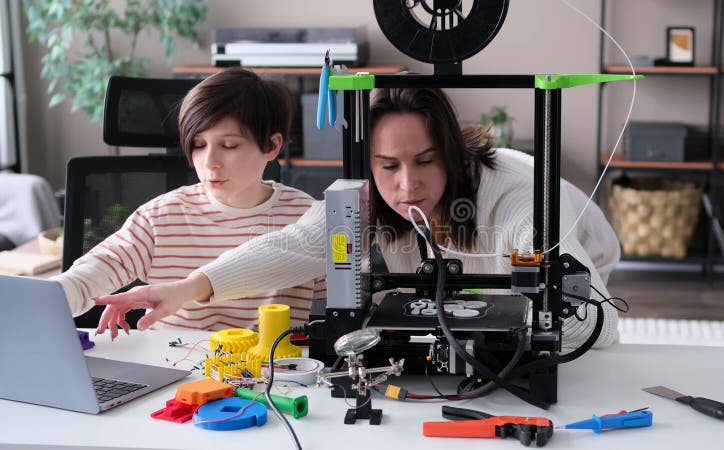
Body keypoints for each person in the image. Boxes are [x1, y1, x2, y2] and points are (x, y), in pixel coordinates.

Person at [94, 86, 621, 349]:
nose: (406, 185)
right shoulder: (367, 195)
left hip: (587, 239)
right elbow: (293, 246)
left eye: (426, 161)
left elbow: (598, 324)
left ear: (453, 153)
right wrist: (186, 288)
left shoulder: (515, 203)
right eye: (388, 166)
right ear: (368, 165)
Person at [54, 68, 324, 333]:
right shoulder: (159, 217)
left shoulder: (307, 218)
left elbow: (346, 297)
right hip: (172, 366)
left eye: (229, 146)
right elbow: (92, 274)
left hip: (269, 370)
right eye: (198, 144)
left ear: (271, 146)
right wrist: (48, 298)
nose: (210, 163)